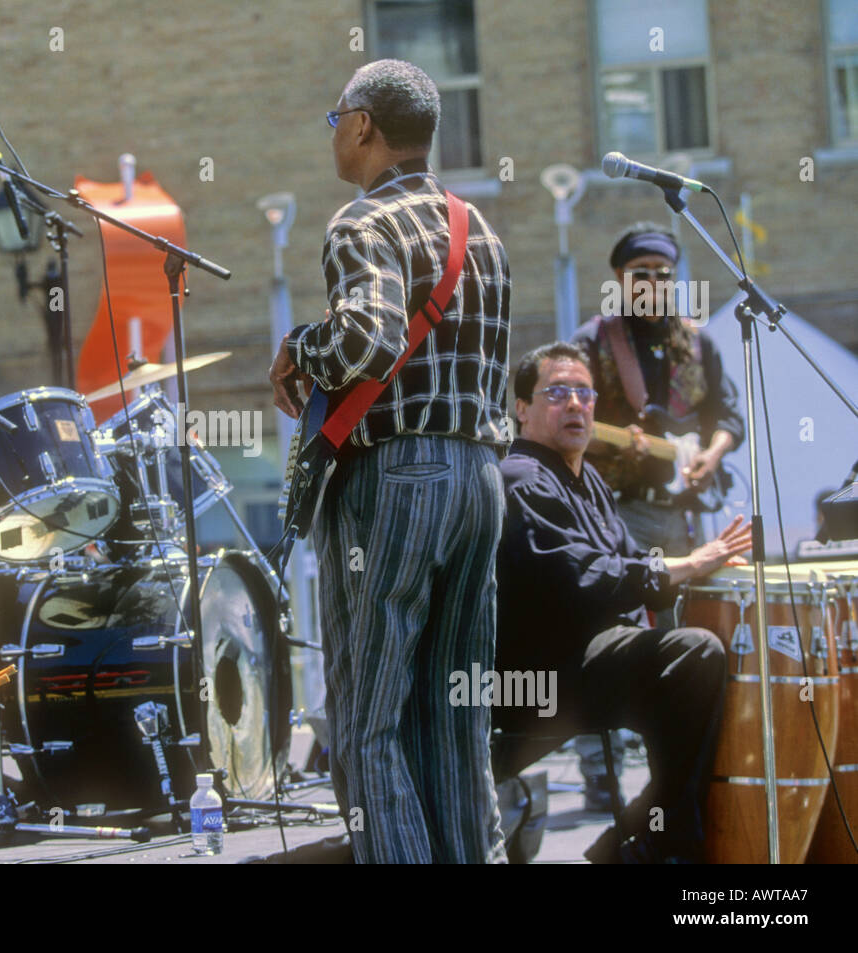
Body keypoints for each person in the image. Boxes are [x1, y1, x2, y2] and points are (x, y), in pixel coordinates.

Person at [269, 59, 510, 863]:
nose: (333, 131)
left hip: (397, 482)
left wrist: (301, 347)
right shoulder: (483, 233)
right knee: (453, 722)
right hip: (480, 481)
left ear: (364, 125)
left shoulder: (360, 223)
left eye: (336, 116)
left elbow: (368, 337)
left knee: (369, 725)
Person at [492, 342, 752, 863]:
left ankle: (646, 839)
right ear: (522, 408)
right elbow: (582, 578)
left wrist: (708, 565)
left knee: (691, 668)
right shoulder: (520, 476)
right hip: (537, 677)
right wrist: (688, 564)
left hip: (587, 660)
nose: (576, 405)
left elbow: (632, 560)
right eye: (557, 393)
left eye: (584, 394)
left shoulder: (588, 479)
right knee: (693, 655)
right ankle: (655, 841)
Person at [569, 222, 744, 806]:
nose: (652, 284)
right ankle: (601, 766)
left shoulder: (699, 342)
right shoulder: (593, 343)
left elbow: (729, 417)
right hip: (616, 509)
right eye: (640, 274)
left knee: (681, 636)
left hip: (685, 514)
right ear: (619, 280)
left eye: (663, 274)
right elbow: (566, 424)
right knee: (609, 630)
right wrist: (618, 444)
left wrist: (709, 456)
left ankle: (674, 764)